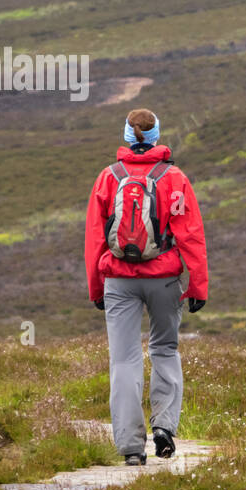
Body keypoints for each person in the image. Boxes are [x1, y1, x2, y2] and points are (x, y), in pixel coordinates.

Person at [84, 109, 208, 466]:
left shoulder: (108, 178)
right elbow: (191, 235)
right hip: (165, 279)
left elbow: (95, 239)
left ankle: (131, 449)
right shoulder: (175, 178)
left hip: (118, 281)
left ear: (127, 135)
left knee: (123, 360)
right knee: (165, 350)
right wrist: (197, 285)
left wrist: (97, 287)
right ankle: (164, 428)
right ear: (156, 136)